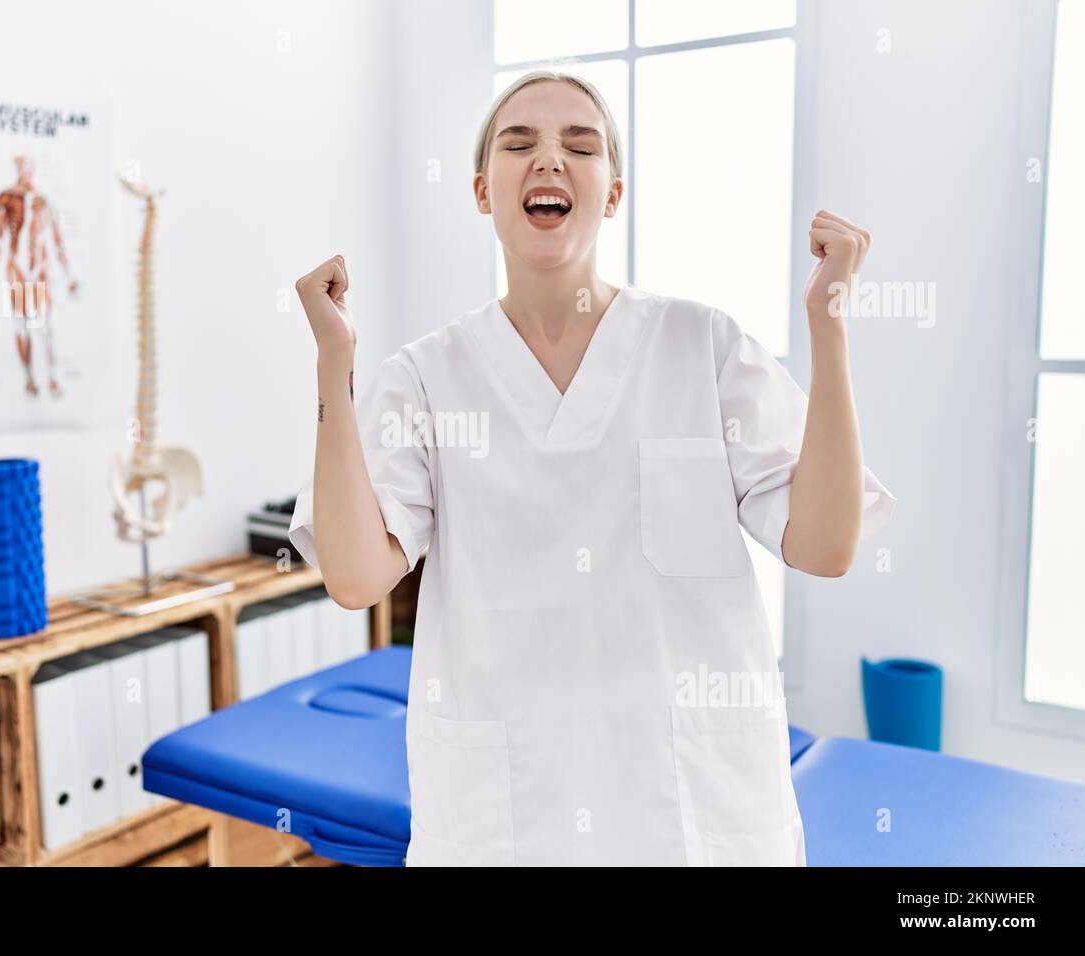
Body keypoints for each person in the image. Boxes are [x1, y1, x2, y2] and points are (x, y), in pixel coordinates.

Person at [288, 71, 895, 866]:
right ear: (481, 190)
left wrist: (830, 329)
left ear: (612, 193)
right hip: (509, 813)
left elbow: (824, 545)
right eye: (520, 144)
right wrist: (335, 363)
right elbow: (357, 578)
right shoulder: (426, 376)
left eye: (581, 146)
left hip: (687, 810)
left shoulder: (701, 346)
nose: (550, 160)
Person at [0, 155, 80, 399]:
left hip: (38, 270)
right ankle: (29, 378)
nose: (27, 171)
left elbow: (56, 238)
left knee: (44, 326)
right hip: (16, 269)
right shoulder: (6, 198)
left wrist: (69, 275)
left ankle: (53, 377)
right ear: (17, 168)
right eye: (23, 167)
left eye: (30, 167)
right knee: (22, 326)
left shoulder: (43, 201)